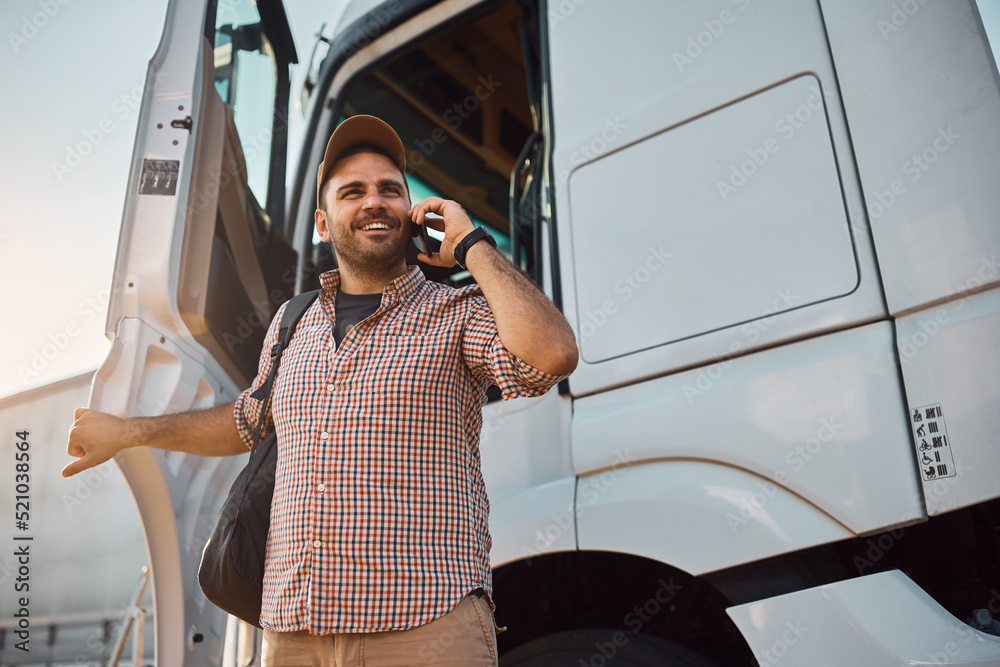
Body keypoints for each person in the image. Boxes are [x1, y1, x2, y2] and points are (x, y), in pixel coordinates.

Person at [63, 115, 578, 666]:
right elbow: (246, 421)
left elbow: (553, 354)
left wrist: (471, 244)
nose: (373, 202)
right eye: (352, 192)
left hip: (425, 629)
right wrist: (127, 431)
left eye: (390, 190)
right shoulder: (292, 321)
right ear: (323, 224)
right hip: (293, 635)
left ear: (412, 214)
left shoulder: (457, 313)